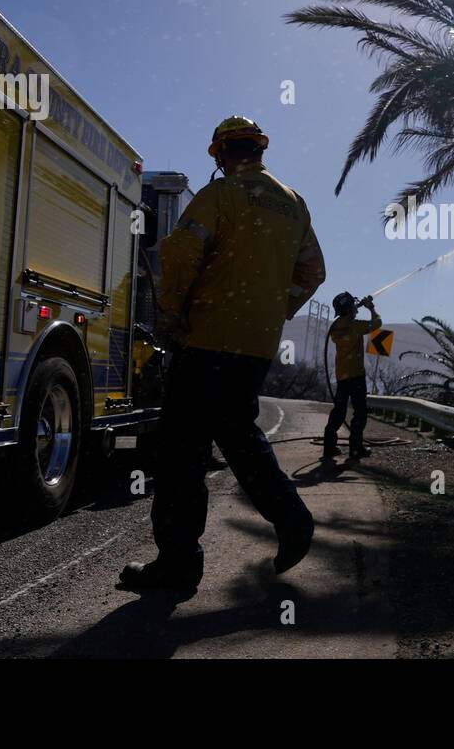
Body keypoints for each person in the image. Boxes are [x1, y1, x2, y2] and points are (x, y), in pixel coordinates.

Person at [120, 116, 326, 591]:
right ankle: (291, 517)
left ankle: (177, 565)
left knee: (181, 455)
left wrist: (171, 313)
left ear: (220, 154)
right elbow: (313, 271)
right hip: (255, 348)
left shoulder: (220, 195)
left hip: (207, 340)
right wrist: (273, 310)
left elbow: (181, 251)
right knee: (237, 434)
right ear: (260, 149)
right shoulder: (295, 205)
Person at [322, 291, 381, 462]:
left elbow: (348, 320)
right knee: (360, 413)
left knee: (338, 412)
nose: (356, 306)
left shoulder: (335, 327)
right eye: (353, 305)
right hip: (356, 377)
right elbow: (377, 323)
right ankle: (355, 449)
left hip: (342, 377)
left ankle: (329, 447)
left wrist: (355, 308)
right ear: (349, 309)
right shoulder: (355, 326)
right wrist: (371, 308)